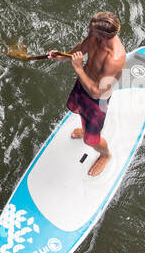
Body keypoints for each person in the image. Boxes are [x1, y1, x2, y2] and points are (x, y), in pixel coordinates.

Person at [49, 12, 126, 178]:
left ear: (104, 36)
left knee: (92, 140)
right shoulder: (95, 35)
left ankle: (105, 155)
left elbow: (97, 92)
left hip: (97, 99)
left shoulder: (115, 59)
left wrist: (77, 68)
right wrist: (62, 57)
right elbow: (83, 46)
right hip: (83, 85)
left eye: (92, 30)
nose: (88, 30)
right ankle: (86, 130)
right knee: (75, 108)